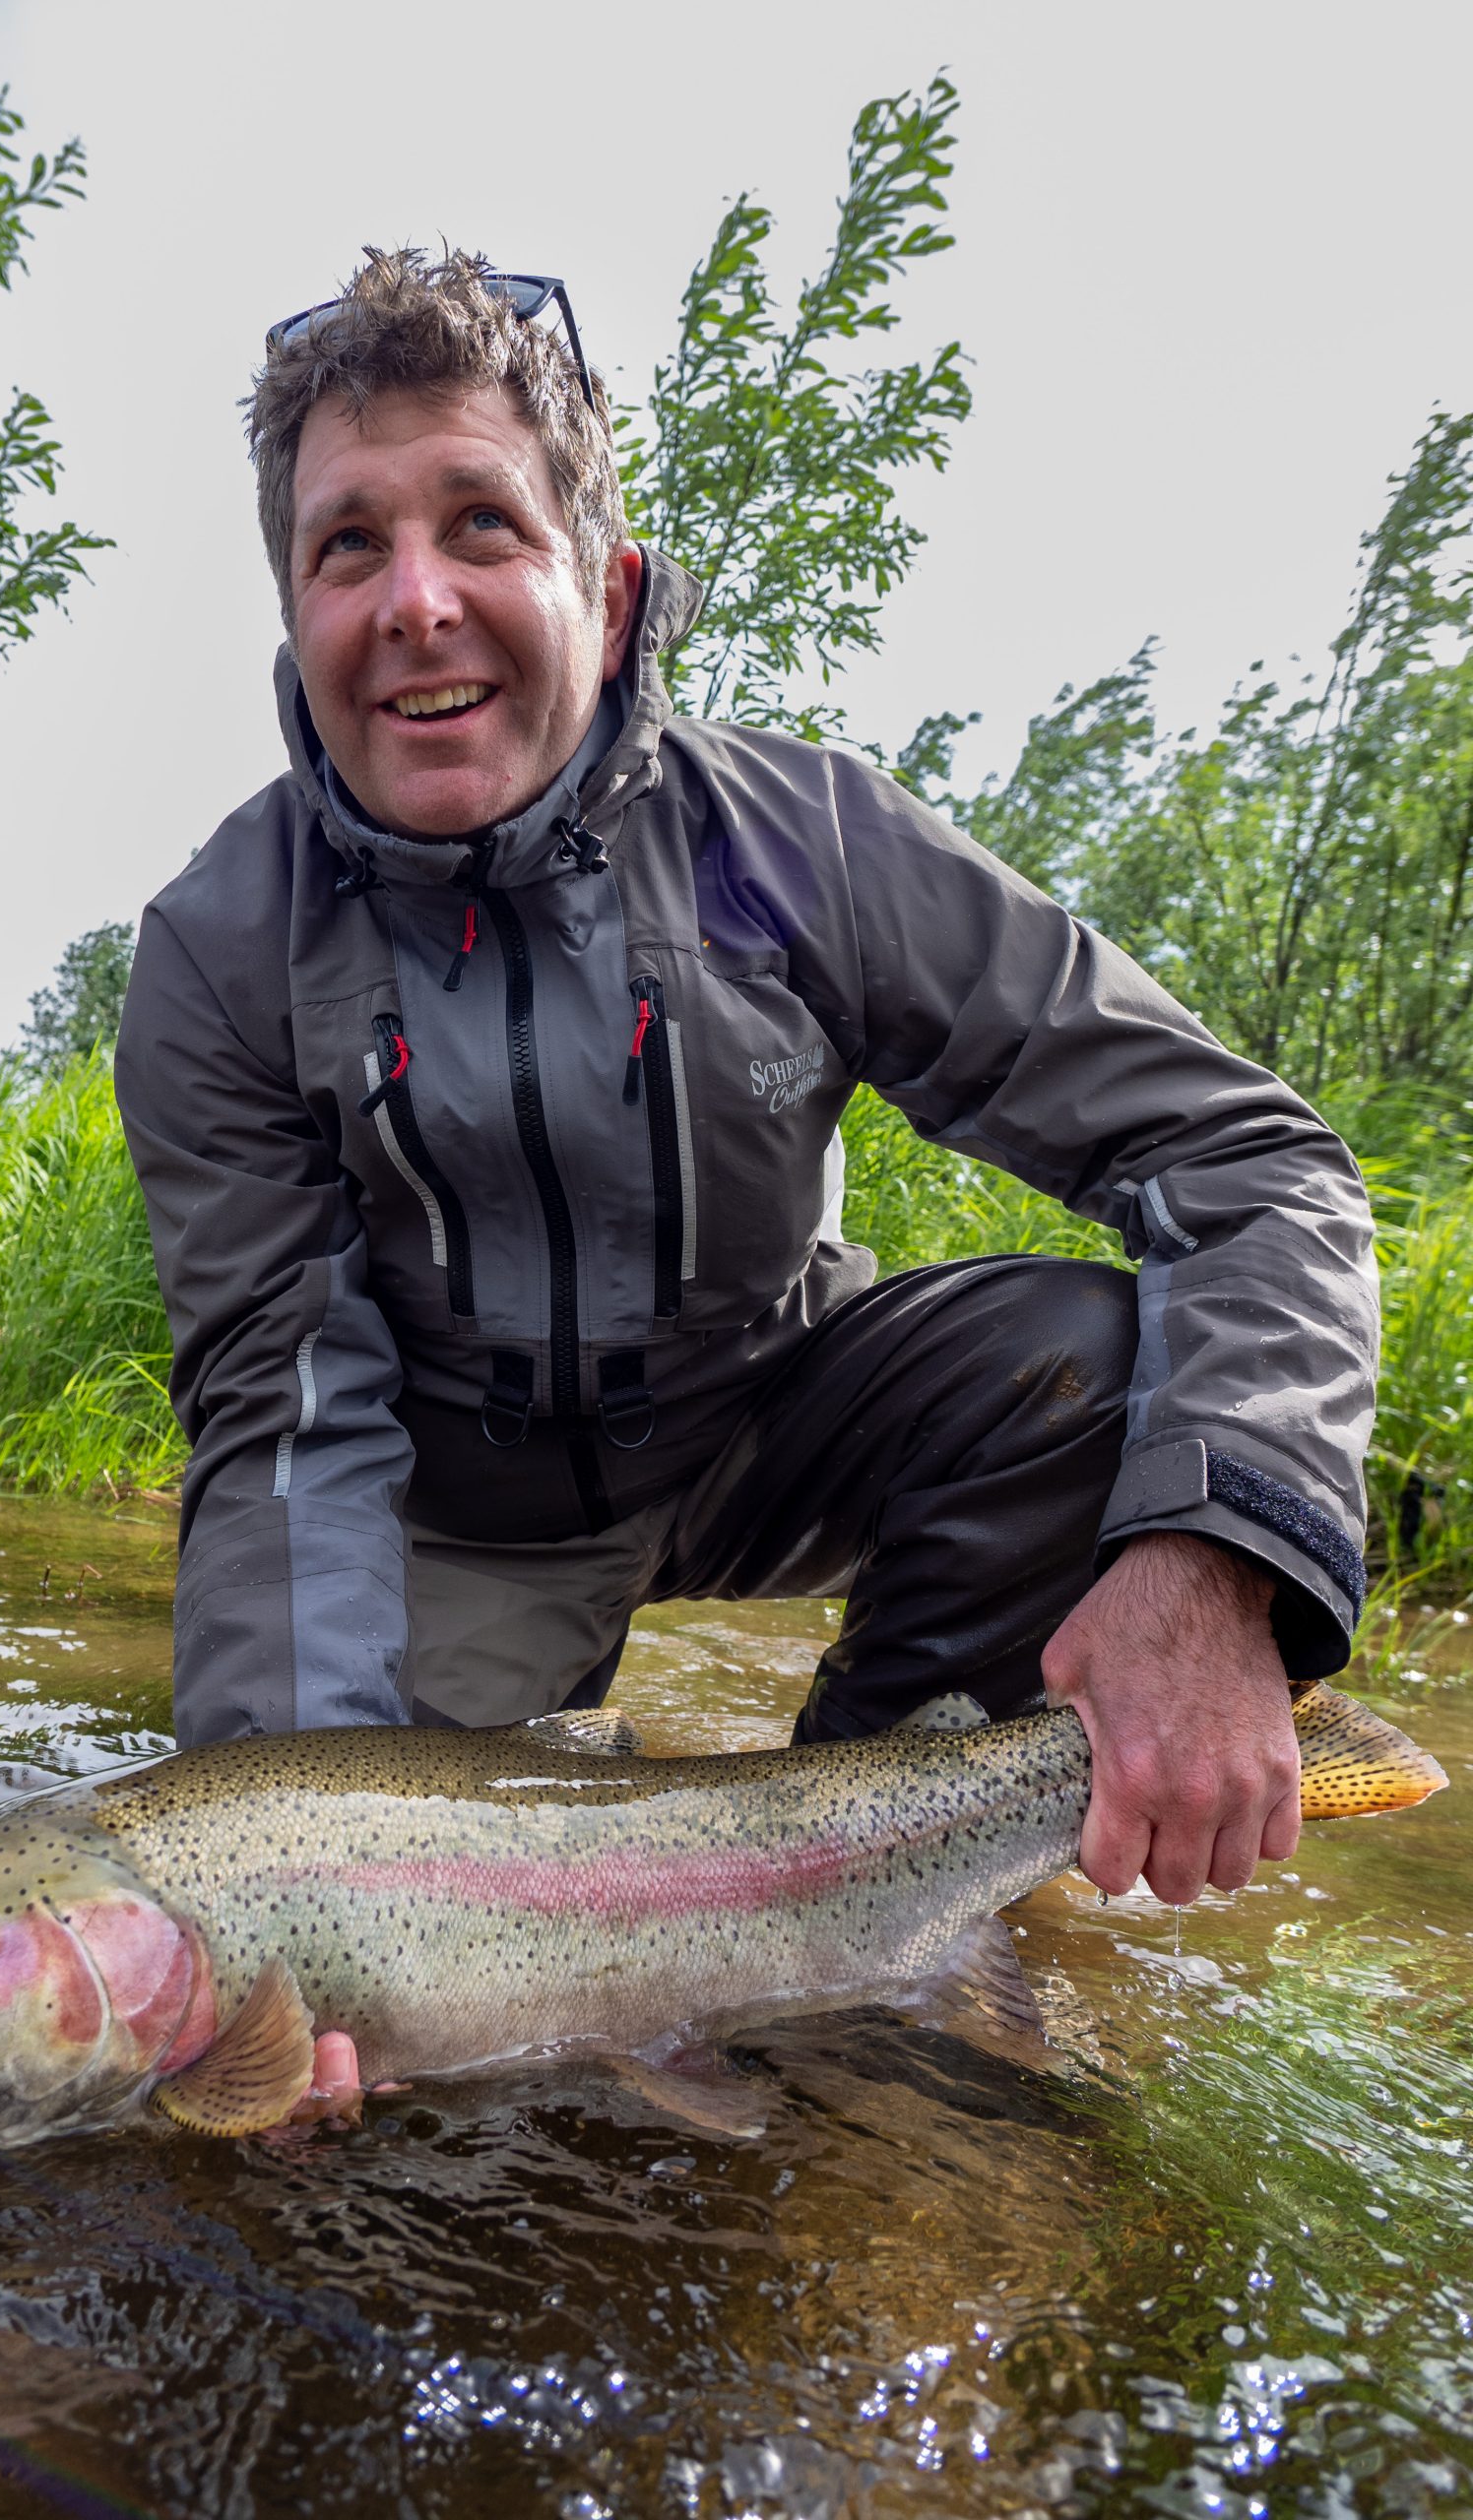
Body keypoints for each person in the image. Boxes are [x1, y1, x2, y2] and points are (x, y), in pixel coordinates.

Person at [115, 247, 1377, 1933]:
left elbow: (1250, 1164)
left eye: (480, 522)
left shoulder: (805, 848)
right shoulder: (217, 955)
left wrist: (1223, 1567)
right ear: (297, 614)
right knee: (418, 2003)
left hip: (767, 1424)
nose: (414, 601)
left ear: (611, 590)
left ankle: (864, 1913)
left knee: (1083, 1365)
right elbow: (284, 1426)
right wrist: (292, 1893)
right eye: (350, 544)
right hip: (461, 1510)